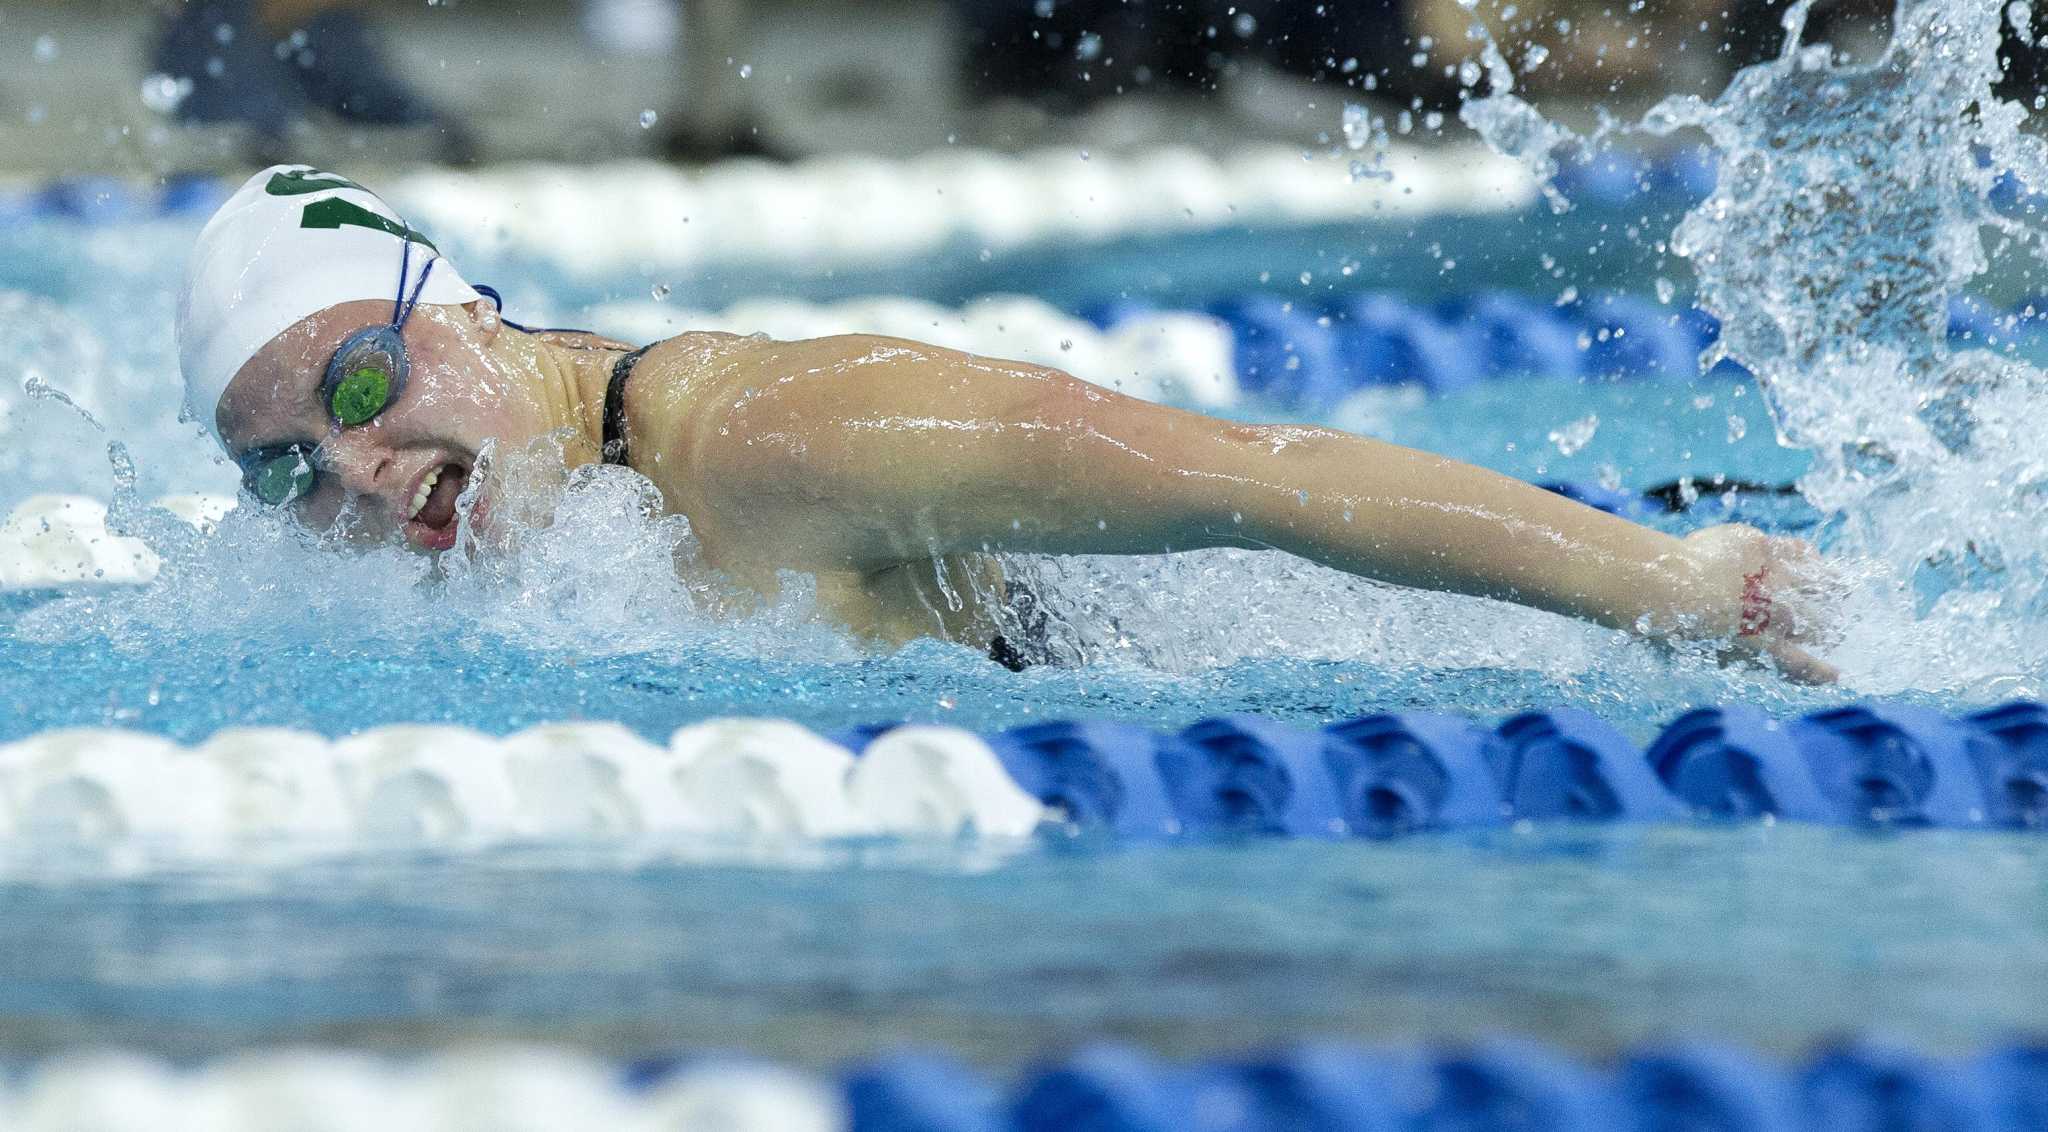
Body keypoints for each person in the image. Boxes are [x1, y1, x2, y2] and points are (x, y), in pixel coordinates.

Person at [179, 166, 1838, 681]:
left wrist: (1676, 590)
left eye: (358, 389)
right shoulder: (531, 534)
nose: (356, 475)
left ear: (455, 308)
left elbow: (1252, 476)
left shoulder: (771, 436)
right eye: (287, 474)